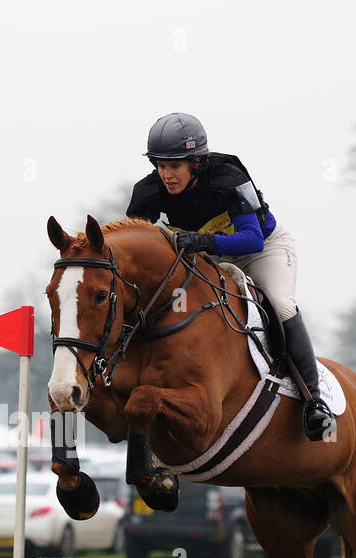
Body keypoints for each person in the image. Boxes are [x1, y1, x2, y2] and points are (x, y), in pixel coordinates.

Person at [126, 112, 334, 441]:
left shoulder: (228, 178)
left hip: (262, 250)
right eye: (160, 165)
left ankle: (314, 401)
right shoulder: (148, 193)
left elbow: (253, 239)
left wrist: (202, 241)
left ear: (196, 163)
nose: (166, 175)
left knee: (280, 304)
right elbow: (137, 245)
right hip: (208, 258)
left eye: (174, 166)